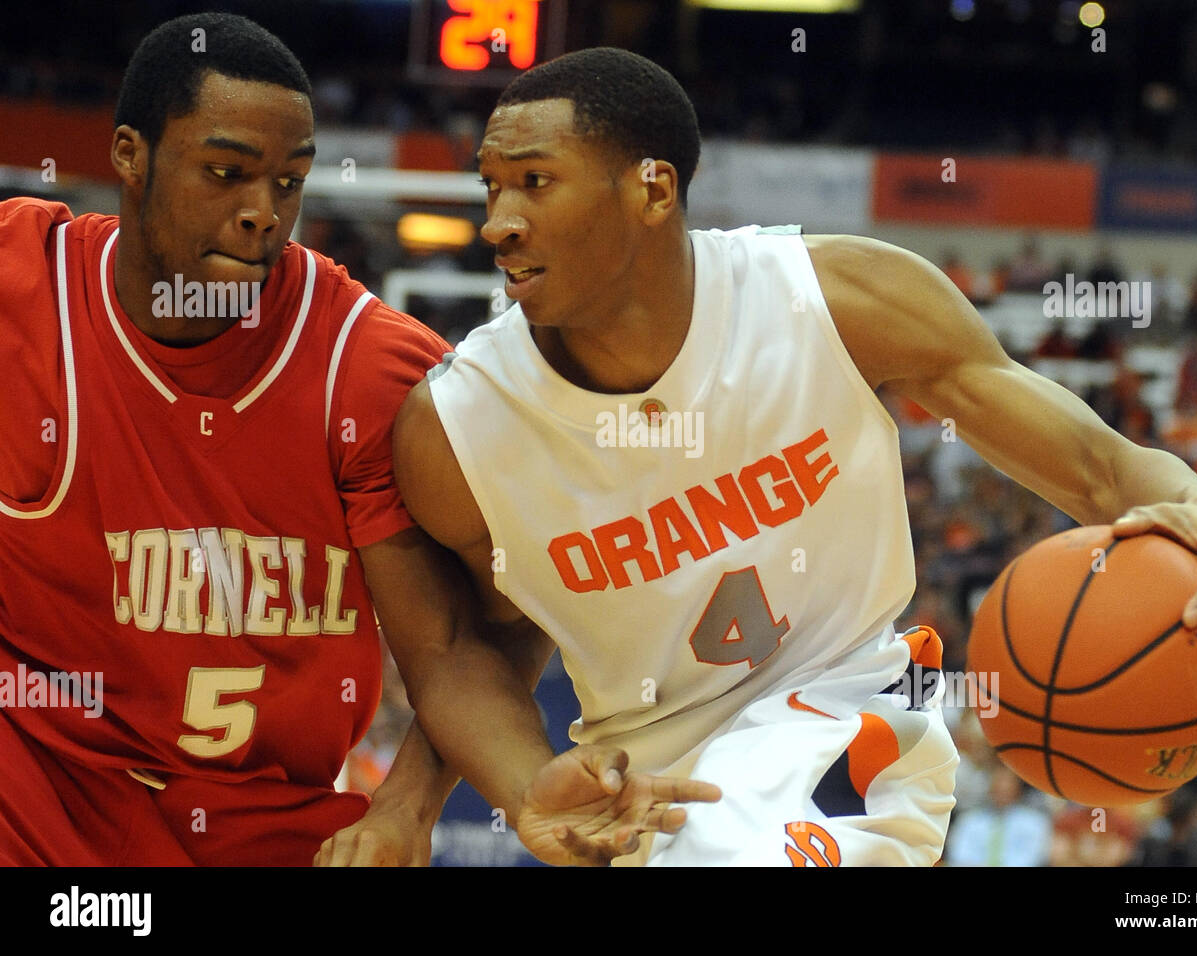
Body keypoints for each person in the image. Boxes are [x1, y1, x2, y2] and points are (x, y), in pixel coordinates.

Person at [393, 47, 1197, 867]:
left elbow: (1102, 469)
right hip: (641, 792)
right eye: (493, 188)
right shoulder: (460, 427)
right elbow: (473, 647)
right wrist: (512, 785)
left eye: (535, 184)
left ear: (652, 191)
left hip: (854, 712)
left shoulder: (836, 299)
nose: (498, 224)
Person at [0, 15, 716, 868]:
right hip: (33, 803)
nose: (263, 214)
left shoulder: (373, 373)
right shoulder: (21, 284)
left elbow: (480, 630)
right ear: (129, 155)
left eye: (290, 183)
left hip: (265, 827)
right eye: (226, 174)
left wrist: (428, 805)